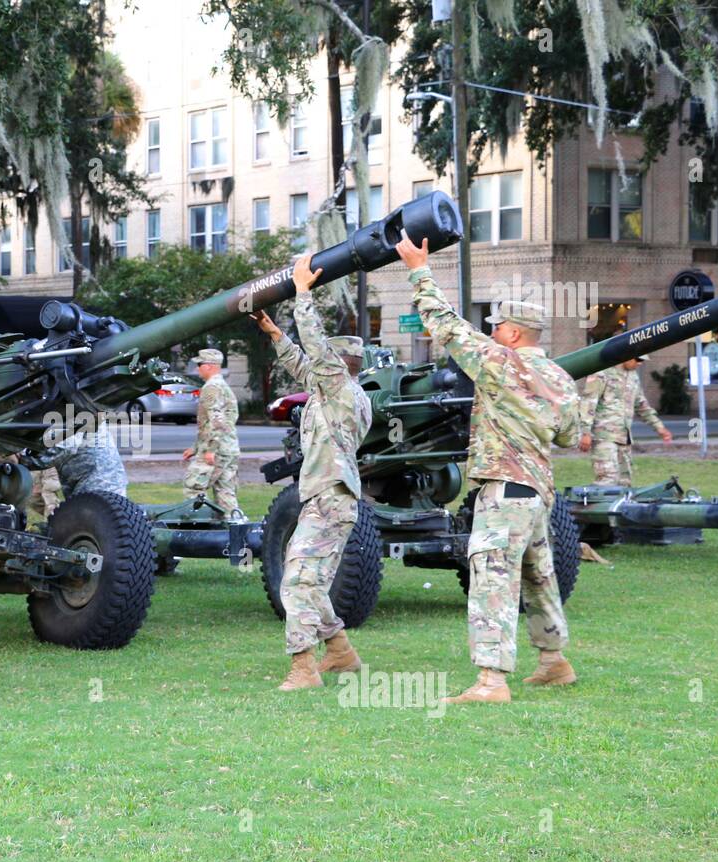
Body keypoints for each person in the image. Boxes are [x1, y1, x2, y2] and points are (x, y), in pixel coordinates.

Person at [396, 231, 581, 703]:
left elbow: (447, 326)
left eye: (498, 327)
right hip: (538, 491)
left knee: (492, 577)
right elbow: (567, 435)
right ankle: (553, 660)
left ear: (514, 334)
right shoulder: (560, 376)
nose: (493, 332)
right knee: (538, 577)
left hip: (506, 489)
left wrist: (419, 269)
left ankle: (491, 681)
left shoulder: (501, 363)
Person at [250, 253, 373, 690]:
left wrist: (303, 294)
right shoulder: (337, 393)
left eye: (325, 365)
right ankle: (340, 652)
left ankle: (303, 668)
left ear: (338, 367)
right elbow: (305, 364)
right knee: (311, 579)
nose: (316, 370)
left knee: (298, 579)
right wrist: (276, 333)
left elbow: (316, 352)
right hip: (328, 496)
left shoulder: (341, 391)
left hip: (331, 497)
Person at [578, 355, 672, 485]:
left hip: (624, 438)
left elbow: (641, 404)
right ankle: (595, 505)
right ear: (626, 356)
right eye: (638, 359)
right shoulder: (601, 373)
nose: (640, 364)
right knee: (607, 480)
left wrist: (659, 427)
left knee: (624, 482)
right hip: (604, 437)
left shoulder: (633, 376)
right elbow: (588, 402)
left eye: (642, 361)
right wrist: (585, 432)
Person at [182, 348, 241, 516]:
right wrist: (194, 448)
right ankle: (235, 530)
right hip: (229, 448)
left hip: (216, 450)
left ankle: (197, 528)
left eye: (199, 364)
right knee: (225, 493)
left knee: (193, 487)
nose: (197, 369)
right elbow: (226, 419)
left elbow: (217, 421)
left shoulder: (211, 388)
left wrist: (210, 450)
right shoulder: (223, 386)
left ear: (209, 366)